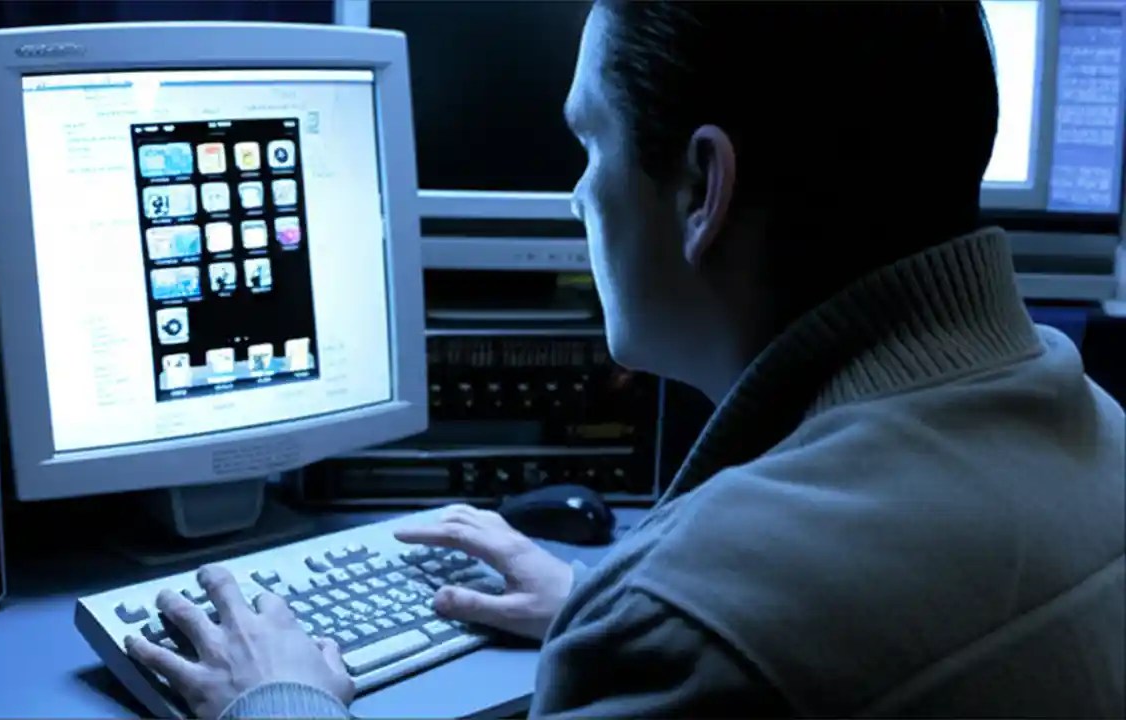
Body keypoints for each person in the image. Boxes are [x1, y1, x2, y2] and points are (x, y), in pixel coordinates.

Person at [125, 2, 1126, 717]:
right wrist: (596, 603)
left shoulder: (694, 630)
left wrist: (278, 698)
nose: (573, 196)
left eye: (587, 144)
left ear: (702, 187)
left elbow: (753, 636)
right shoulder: (1102, 435)